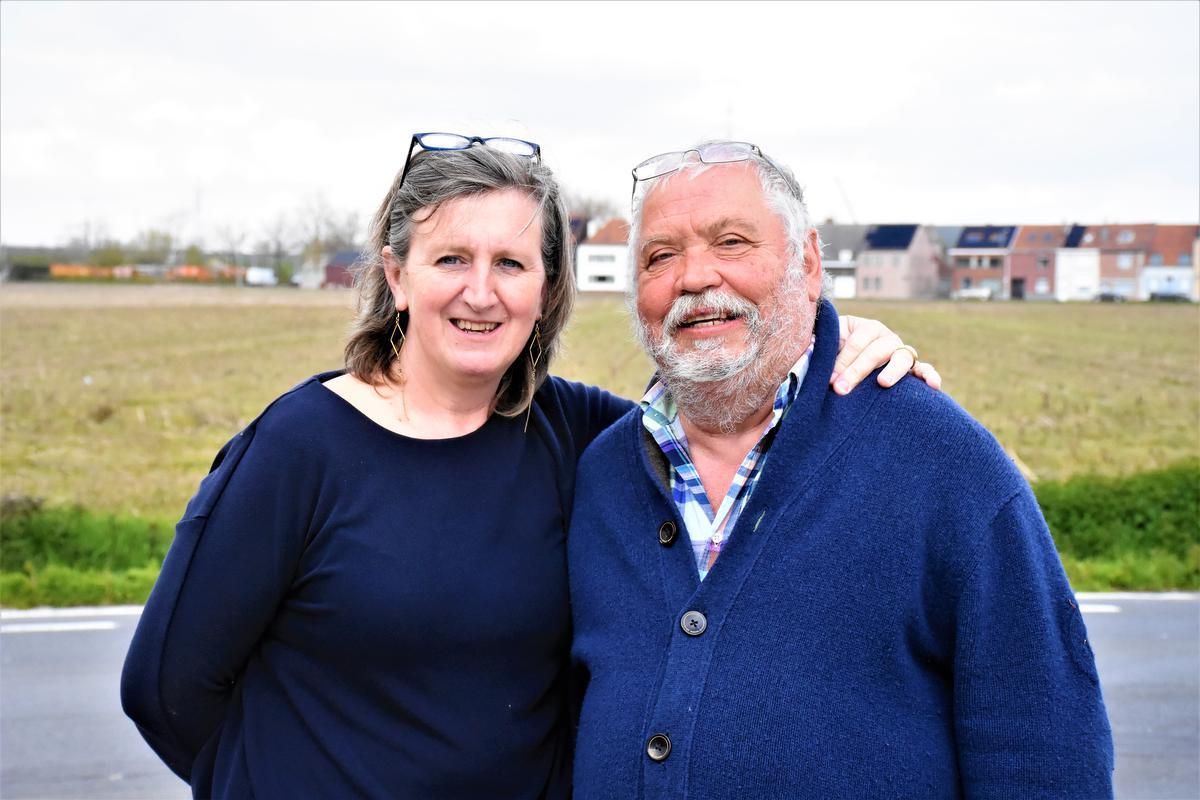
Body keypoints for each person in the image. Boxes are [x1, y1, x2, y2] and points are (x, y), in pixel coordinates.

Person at [121, 134, 937, 799]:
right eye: (450, 260)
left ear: (547, 291)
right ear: (397, 276)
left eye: (511, 264)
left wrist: (840, 342)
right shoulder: (302, 447)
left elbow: (734, 424)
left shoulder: (577, 433)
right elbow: (165, 691)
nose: (481, 292)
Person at [568, 141, 1114, 799]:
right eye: (660, 256)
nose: (694, 277)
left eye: (732, 243)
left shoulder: (943, 464)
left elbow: (1045, 758)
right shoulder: (601, 475)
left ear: (808, 262)